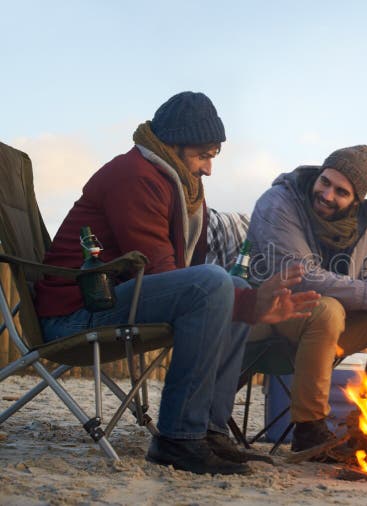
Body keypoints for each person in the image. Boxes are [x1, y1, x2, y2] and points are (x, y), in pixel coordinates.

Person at [34, 91, 319, 475]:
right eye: (203, 155)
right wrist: (251, 307)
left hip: (116, 299)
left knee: (232, 287)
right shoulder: (134, 176)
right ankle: (178, 438)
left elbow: (185, 275)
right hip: (76, 312)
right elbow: (164, 275)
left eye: (213, 156)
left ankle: (210, 430)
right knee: (216, 284)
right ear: (172, 144)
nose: (208, 168)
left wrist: (250, 303)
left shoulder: (178, 183)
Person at [247, 145, 367, 453]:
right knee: (328, 309)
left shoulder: (360, 224)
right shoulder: (279, 203)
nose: (327, 194)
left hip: (324, 333)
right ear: (318, 174)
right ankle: (309, 431)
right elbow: (301, 276)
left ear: (355, 200)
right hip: (272, 315)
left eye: (341, 191)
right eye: (325, 182)